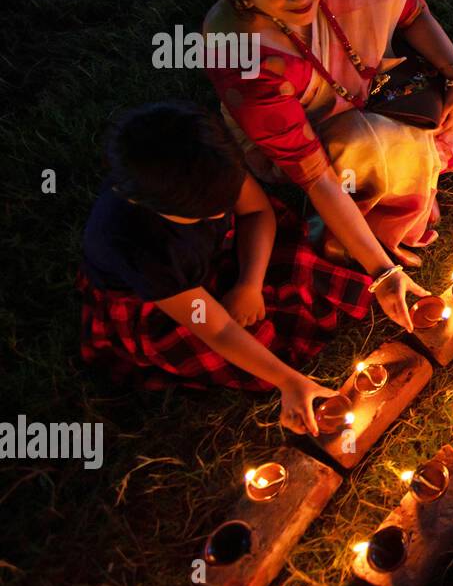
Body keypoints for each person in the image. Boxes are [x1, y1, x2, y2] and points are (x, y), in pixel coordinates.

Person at [201, 0, 453, 330]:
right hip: (310, 125)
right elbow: (312, 174)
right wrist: (381, 273)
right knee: (372, 143)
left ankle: (400, 178)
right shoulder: (243, 54)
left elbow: (416, 16)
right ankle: (356, 234)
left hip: (370, 82)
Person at [77, 101, 373, 435]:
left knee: (300, 265)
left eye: (224, 203)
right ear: (148, 204)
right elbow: (216, 329)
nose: (220, 215)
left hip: (215, 253)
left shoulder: (209, 164)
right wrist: (289, 382)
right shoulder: (140, 247)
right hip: (168, 299)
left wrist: (249, 283)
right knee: (249, 349)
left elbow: (257, 213)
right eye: (204, 213)